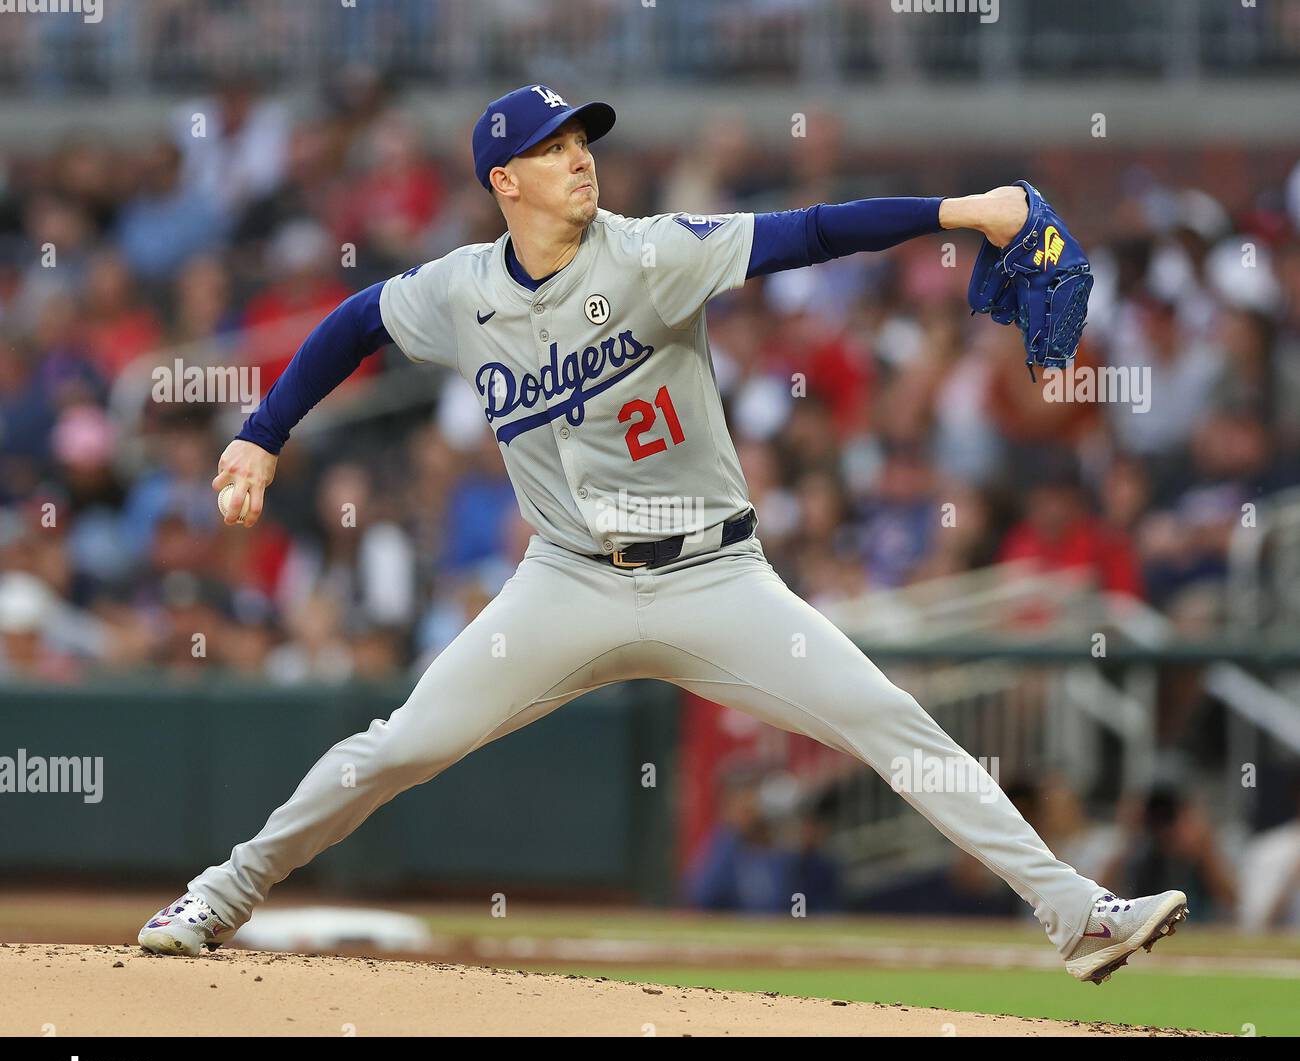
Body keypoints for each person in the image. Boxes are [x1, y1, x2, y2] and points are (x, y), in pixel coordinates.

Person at [138, 83, 1187, 985]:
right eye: (551, 150)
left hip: (714, 580)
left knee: (891, 719)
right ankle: (214, 899)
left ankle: (1075, 914)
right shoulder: (463, 291)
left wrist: (968, 210)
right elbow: (358, 319)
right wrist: (263, 434)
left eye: (581, 142)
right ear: (504, 180)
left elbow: (810, 232)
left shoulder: (649, 254)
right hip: (564, 586)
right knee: (397, 747)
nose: (578, 161)